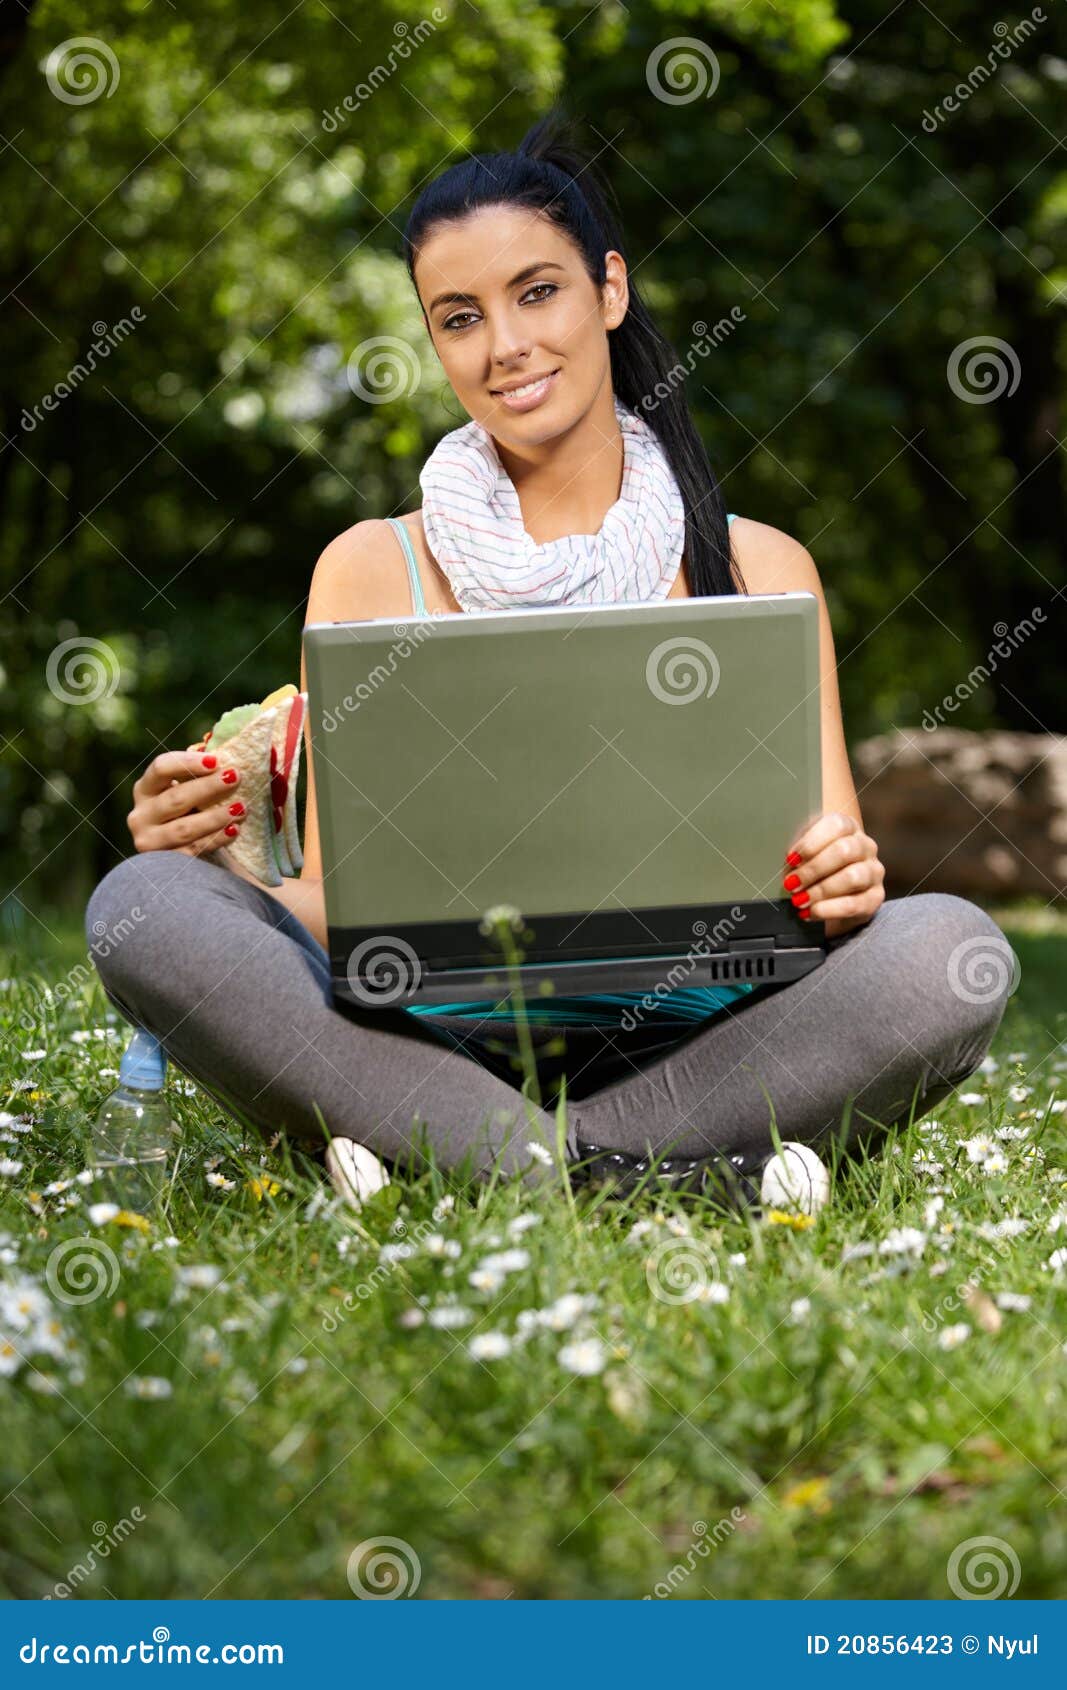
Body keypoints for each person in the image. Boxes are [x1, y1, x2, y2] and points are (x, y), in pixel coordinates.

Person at [85, 113, 1012, 1205]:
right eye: (460, 317)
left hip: (698, 1044)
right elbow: (348, 909)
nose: (506, 346)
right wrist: (218, 863)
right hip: (428, 1041)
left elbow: (832, 874)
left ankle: (504, 1166)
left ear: (607, 291)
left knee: (951, 948)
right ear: (434, 341)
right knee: (139, 900)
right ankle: (637, 1174)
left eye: (537, 293)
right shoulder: (371, 569)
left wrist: (844, 882)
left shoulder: (759, 567)